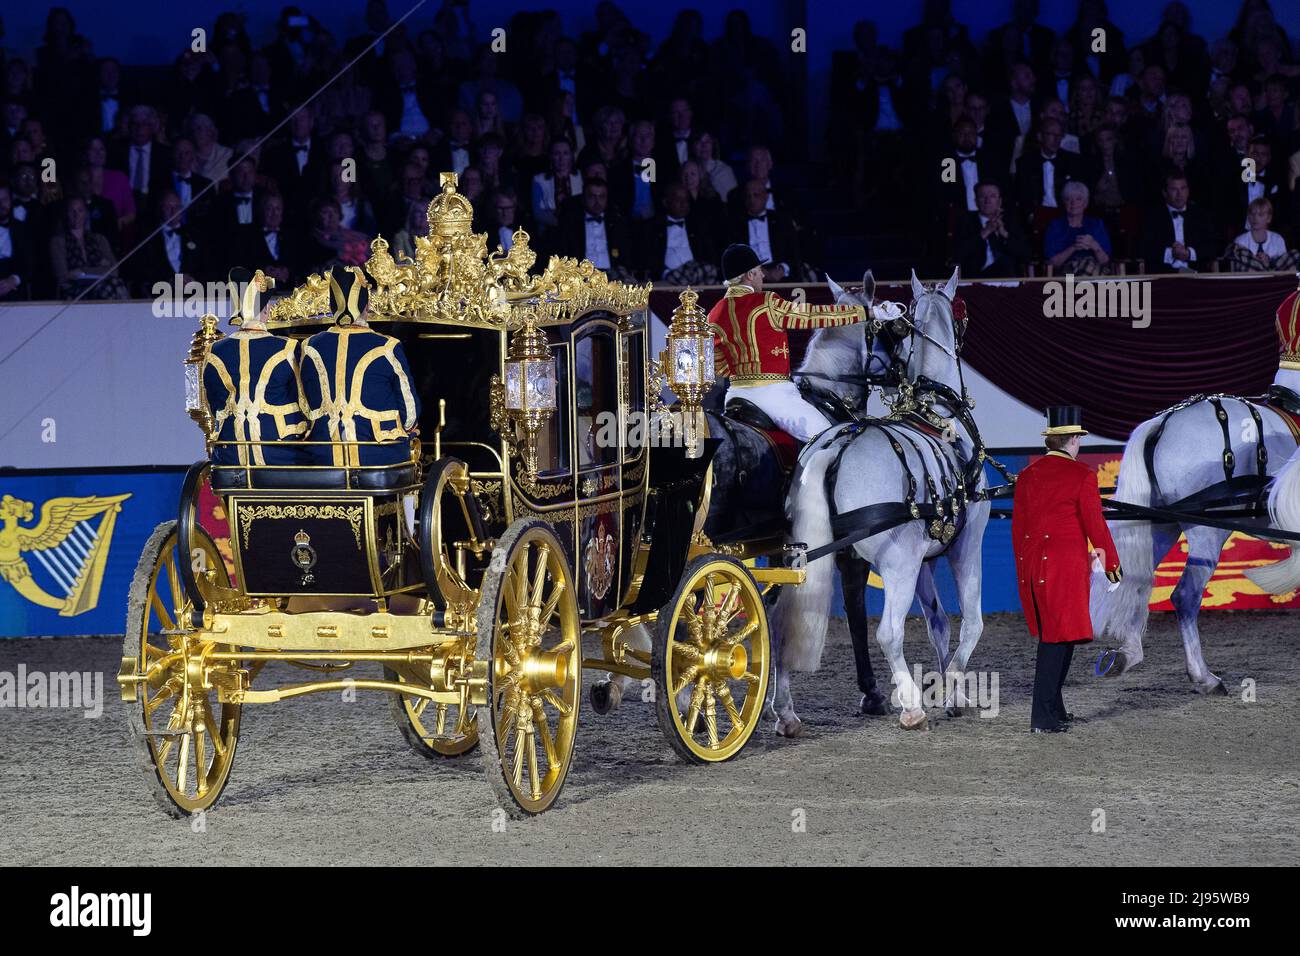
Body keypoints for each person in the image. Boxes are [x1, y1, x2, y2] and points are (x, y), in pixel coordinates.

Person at [708, 243, 900, 442]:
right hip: (773, 397)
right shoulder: (766, 303)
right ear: (749, 275)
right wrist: (869, 312)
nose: (763, 276)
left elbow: (718, 365)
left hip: (734, 396)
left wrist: (742, 371)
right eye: (758, 272)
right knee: (832, 440)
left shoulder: (714, 314)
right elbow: (812, 316)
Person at [1011, 405, 1122, 733]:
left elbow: (1019, 530)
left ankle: (1054, 709)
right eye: (1078, 438)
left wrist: (1024, 570)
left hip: (1035, 568)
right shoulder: (1082, 476)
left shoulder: (1028, 476)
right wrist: (1113, 565)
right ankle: (1042, 718)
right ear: (1072, 440)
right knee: (1057, 640)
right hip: (1065, 571)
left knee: (1061, 636)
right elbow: (1095, 527)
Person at [299, 266, 420, 467]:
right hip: (379, 458)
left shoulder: (308, 347)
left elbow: (303, 404)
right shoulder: (388, 346)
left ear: (331, 305)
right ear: (367, 304)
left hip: (323, 457)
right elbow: (410, 413)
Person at [201, 268, 308, 467]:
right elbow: (304, 402)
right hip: (280, 453)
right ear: (266, 309)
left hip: (230, 455)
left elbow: (213, 404)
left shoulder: (214, 351)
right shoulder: (288, 347)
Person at [1043, 181, 1112, 274]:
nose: (1073, 203)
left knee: (1088, 265)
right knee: (1082, 269)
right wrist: (1074, 247)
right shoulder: (1055, 226)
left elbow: (1105, 261)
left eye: (1078, 199)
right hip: (1067, 273)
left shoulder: (1097, 224)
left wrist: (1094, 245)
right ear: (1064, 203)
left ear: (1085, 203)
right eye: (1068, 199)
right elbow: (1053, 263)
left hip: (1094, 270)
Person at [1227, 197, 1300, 271]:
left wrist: (1269, 262)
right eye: (1252, 214)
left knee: (1295, 254)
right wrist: (1256, 262)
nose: (1255, 217)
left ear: (1269, 218)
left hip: (1274, 277)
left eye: (1260, 214)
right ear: (1248, 217)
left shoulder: (1278, 239)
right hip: (1251, 278)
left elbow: (1284, 263)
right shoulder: (1240, 241)